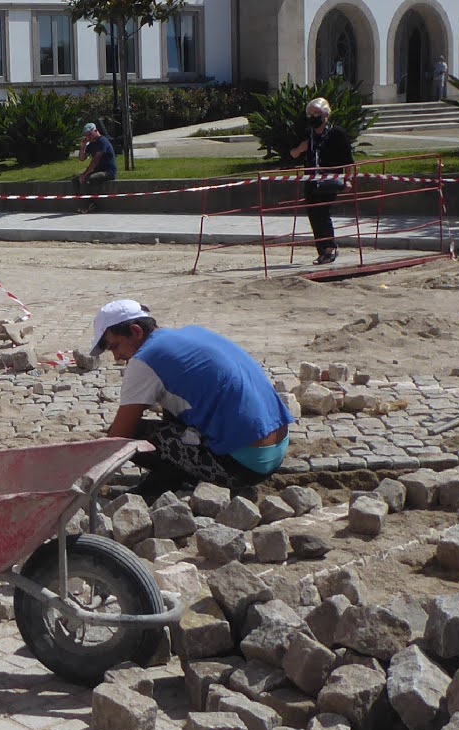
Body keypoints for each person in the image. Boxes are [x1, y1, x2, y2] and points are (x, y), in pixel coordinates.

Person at [92, 299, 295, 497]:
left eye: (115, 346)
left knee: (135, 434)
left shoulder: (145, 360)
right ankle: (174, 475)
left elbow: (117, 438)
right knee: (172, 407)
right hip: (276, 451)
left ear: (136, 331)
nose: (117, 357)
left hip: (243, 469)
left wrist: (85, 474)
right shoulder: (193, 333)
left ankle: (165, 482)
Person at [286, 96, 354, 265]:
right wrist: (301, 149)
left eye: (317, 114)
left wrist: (348, 179)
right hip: (311, 180)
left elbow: (349, 160)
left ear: (325, 115)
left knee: (323, 213)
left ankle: (330, 248)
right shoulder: (306, 133)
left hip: (330, 179)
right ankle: (322, 250)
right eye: (310, 114)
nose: (313, 118)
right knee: (313, 214)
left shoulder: (337, 134)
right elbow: (292, 153)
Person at [74, 122, 117, 189]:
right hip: (98, 170)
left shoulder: (102, 141)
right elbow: (82, 158)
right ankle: (79, 197)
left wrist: (84, 174)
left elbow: (95, 161)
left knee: (90, 179)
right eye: (86, 135)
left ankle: (93, 198)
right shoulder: (91, 144)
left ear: (96, 131)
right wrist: (83, 146)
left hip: (108, 172)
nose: (88, 137)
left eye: (90, 134)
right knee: (75, 180)